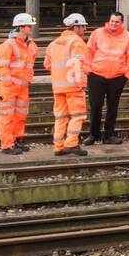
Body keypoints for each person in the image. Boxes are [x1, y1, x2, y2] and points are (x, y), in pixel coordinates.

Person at [82, 12, 129, 145]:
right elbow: (89, 51)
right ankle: (94, 135)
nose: (113, 24)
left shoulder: (128, 37)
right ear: (109, 20)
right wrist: (87, 69)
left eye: (117, 22)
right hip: (96, 75)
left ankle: (109, 135)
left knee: (113, 106)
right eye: (112, 21)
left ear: (121, 23)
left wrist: (127, 74)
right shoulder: (97, 33)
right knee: (95, 105)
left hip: (117, 77)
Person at [44, 12, 90, 157]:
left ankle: (58, 146)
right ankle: (71, 144)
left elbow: (47, 64)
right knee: (78, 116)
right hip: (73, 86)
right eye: (83, 26)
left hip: (58, 87)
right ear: (75, 27)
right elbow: (78, 65)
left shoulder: (54, 43)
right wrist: (81, 84)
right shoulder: (77, 43)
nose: (84, 29)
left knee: (60, 117)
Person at [0, 12, 38, 156]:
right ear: (20, 27)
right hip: (9, 87)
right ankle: (7, 145)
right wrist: (9, 84)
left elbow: (29, 65)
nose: (31, 28)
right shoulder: (8, 45)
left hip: (23, 87)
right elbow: (2, 66)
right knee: (7, 116)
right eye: (28, 26)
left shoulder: (31, 45)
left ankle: (17, 140)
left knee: (20, 116)